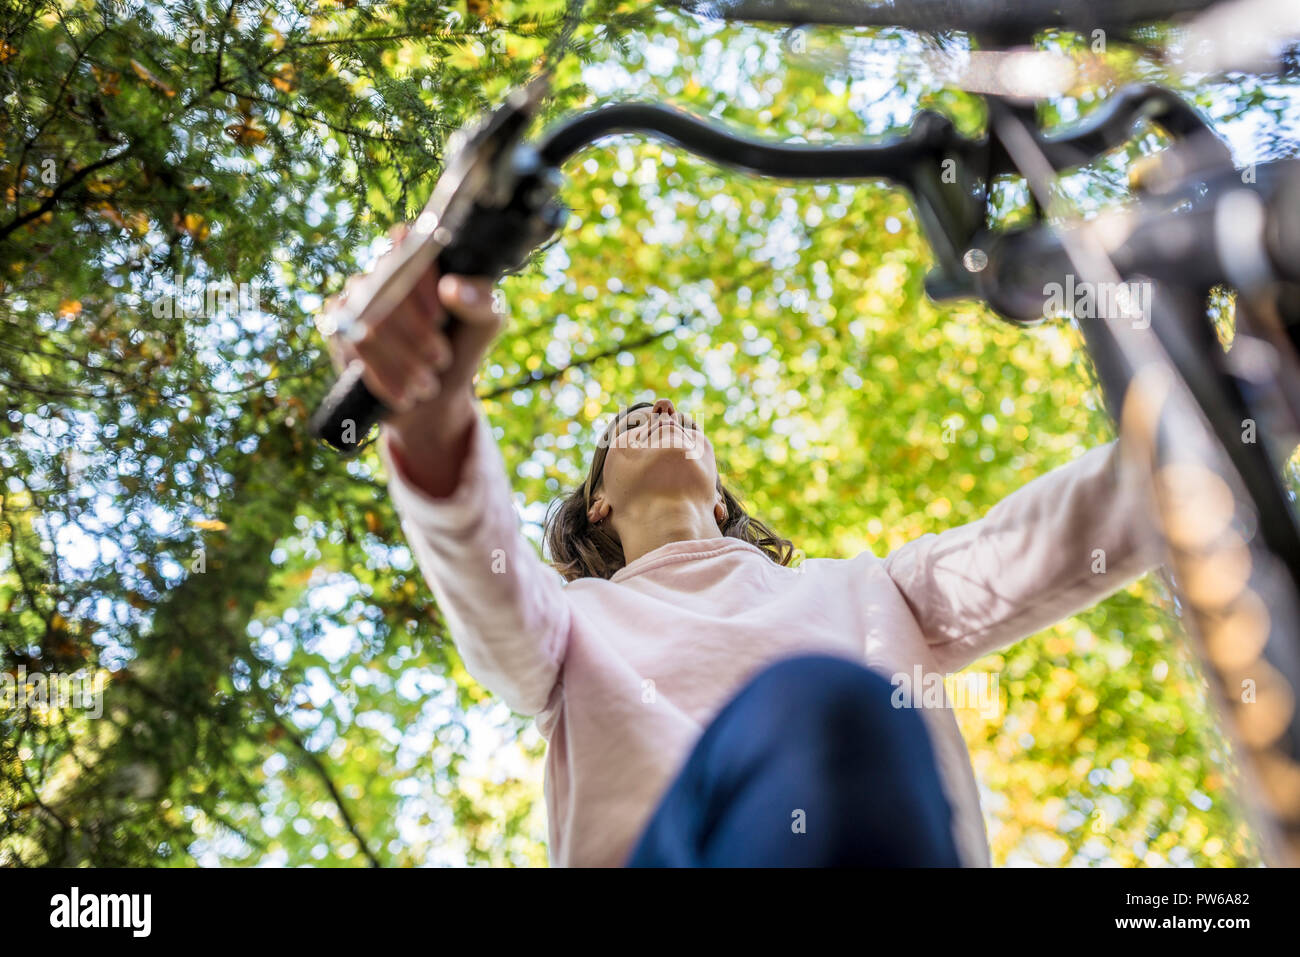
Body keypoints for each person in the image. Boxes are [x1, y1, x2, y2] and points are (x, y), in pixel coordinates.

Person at [325, 228, 1166, 867]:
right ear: (600, 500)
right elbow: (491, 593)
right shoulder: (575, 619)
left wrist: (1231, 402)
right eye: (628, 424)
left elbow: (1049, 541)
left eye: (677, 415)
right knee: (826, 700)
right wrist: (436, 427)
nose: (658, 405)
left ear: (721, 497)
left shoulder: (870, 590)